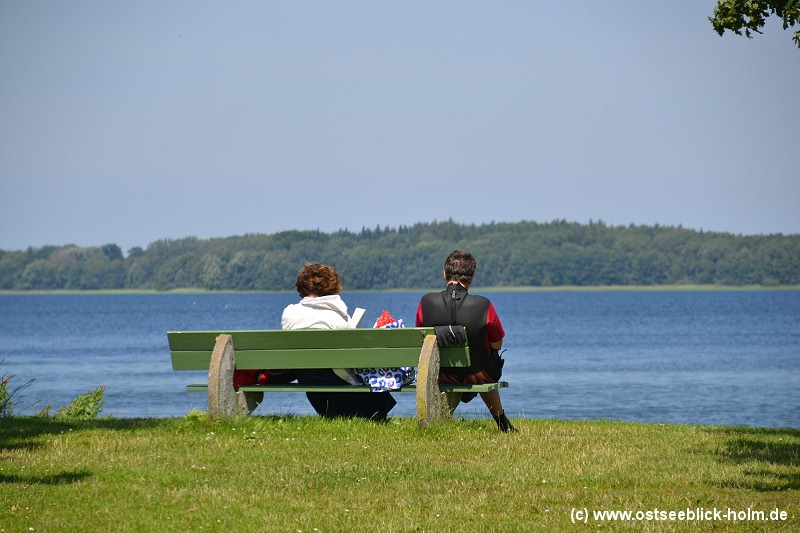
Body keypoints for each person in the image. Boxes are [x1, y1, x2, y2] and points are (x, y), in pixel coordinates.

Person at [415, 250, 518, 432]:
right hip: (478, 373)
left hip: (441, 373)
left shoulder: (426, 302)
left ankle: (439, 422)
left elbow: (423, 341)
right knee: (487, 362)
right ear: (471, 279)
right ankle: (502, 422)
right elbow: (497, 344)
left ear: (444, 274)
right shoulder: (483, 305)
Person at [281, 262, 396, 419]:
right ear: (332, 286)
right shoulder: (338, 316)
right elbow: (350, 357)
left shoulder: (289, 313)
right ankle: (373, 414)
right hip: (336, 378)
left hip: (306, 376)